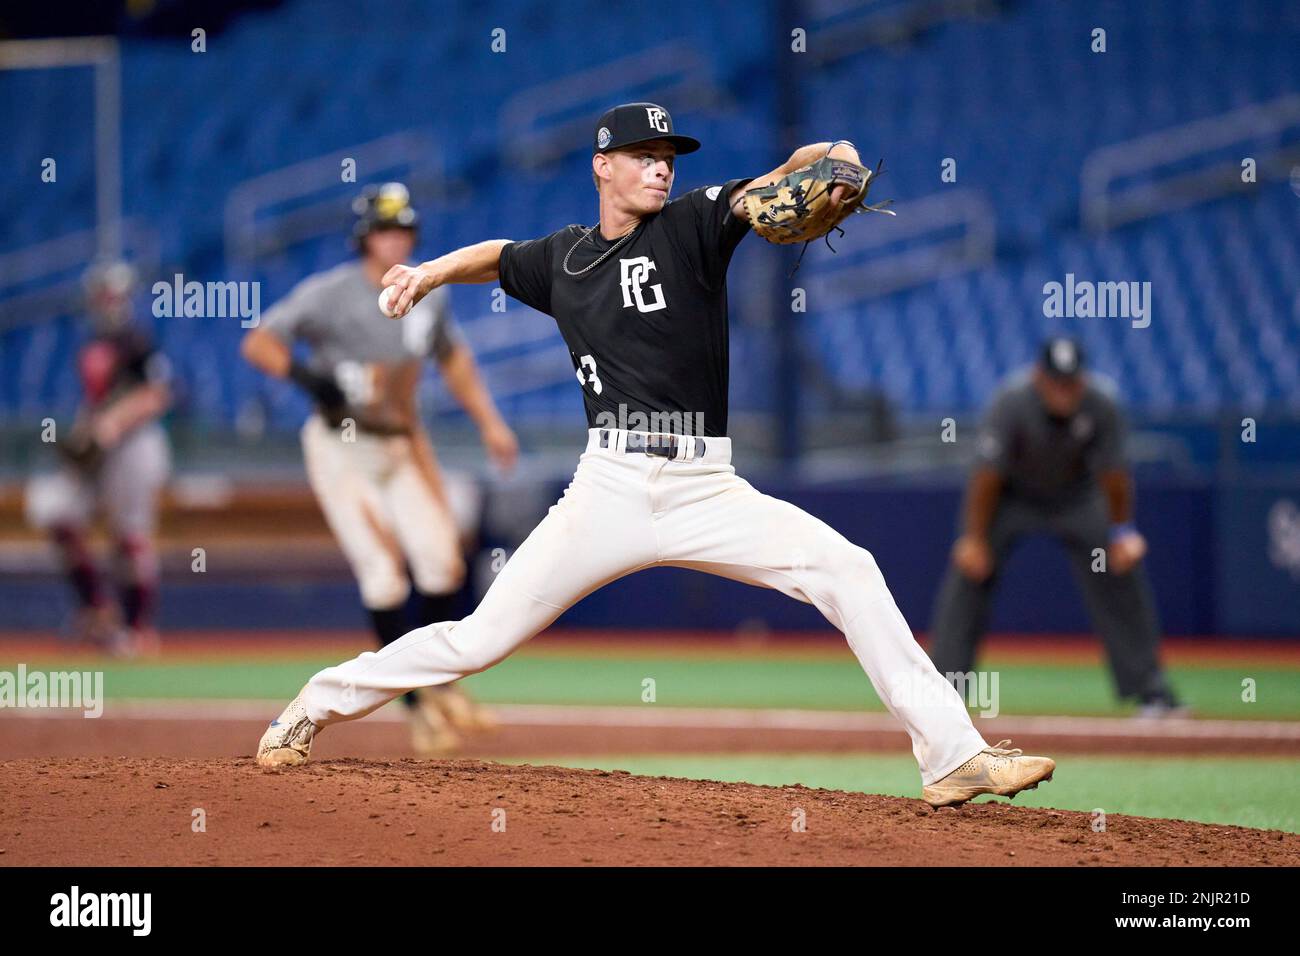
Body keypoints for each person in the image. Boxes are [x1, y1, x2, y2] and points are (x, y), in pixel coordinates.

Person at [256, 104, 1055, 809]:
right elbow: (502, 254)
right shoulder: (563, 259)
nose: (661, 165)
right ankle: (313, 706)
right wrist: (431, 271)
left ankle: (954, 757)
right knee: (476, 640)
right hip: (608, 487)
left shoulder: (697, 222)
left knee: (847, 568)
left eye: (669, 155)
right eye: (645, 153)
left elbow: (787, 172)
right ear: (603, 165)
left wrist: (838, 158)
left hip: (707, 486)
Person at [241, 182, 518, 755]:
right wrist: (304, 376)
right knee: (384, 574)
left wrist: (490, 422)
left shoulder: (429, 293)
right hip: (341, 447)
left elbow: (455, 361)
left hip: (399, 442)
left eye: (403, 230)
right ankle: (416, 707)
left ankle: (436, 687)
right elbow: (260, 342)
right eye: (384, 231)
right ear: (365, 239)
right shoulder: (331, 293)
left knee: (442, 564)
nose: (395, 239)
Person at [928, 337, 1184, 717]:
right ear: (1039, 377)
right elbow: (985, 477)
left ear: (1083, 380)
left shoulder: (1102, 404)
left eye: (1071, 383)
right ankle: (941, 693)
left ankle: (1150, 689)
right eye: (1055, 382)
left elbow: (1114, 475)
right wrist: (974, 538)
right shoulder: (1011, 402)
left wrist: (1122, 532)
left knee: (1118, 568)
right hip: (1012, 499)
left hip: (1076, 498)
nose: (1063, 392)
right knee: (970, 573)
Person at [25, 261, 172, 657]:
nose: (106, 302)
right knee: (54, 510)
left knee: (130, 536)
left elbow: (158, 394)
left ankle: (138, 630)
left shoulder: (138, 340)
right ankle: (96, 610)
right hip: (100, 445)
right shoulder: (91, 343)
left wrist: (114, 422)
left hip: (135, 443)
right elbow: (95, 401)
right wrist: (84, 432)